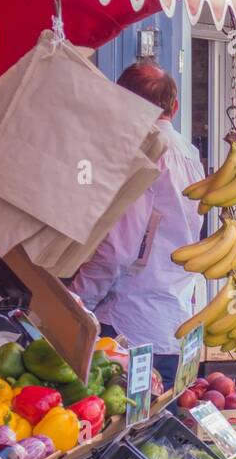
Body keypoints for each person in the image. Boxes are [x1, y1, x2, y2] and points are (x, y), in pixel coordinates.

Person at [72, 63, 205, 378]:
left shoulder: (143, 155)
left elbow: (118, 249)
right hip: (177, 321)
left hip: (130, 327)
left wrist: (76, 303)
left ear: (122, 104)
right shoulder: (189, 153)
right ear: (174, 107)